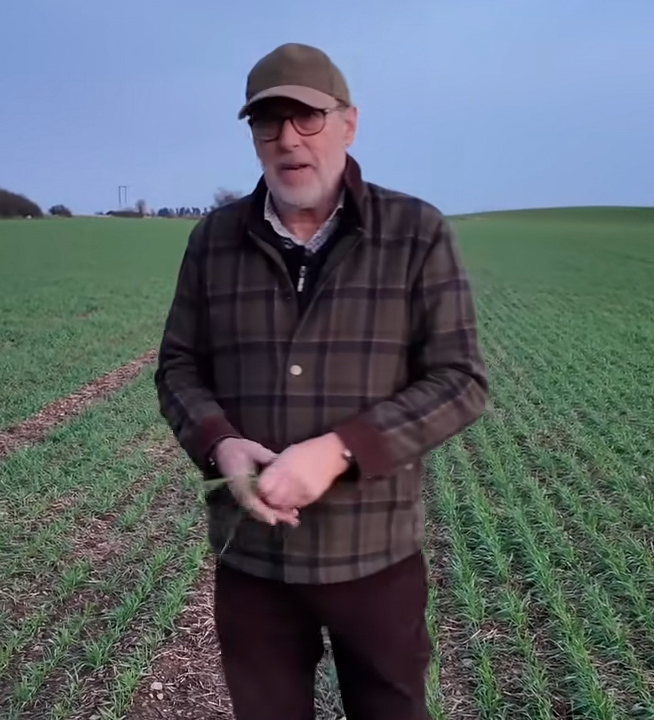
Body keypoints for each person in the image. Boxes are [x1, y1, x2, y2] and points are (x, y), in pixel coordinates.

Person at [154, 42, 488, 720]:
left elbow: (460, 380)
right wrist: (220, 443)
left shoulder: (415, 233)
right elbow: (178, 367)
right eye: (267, 122)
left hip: (376, 557)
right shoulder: (213, 241)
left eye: (307, 118)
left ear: (348, 124)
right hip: (252, 563)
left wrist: (339, 449)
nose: (287, 140)